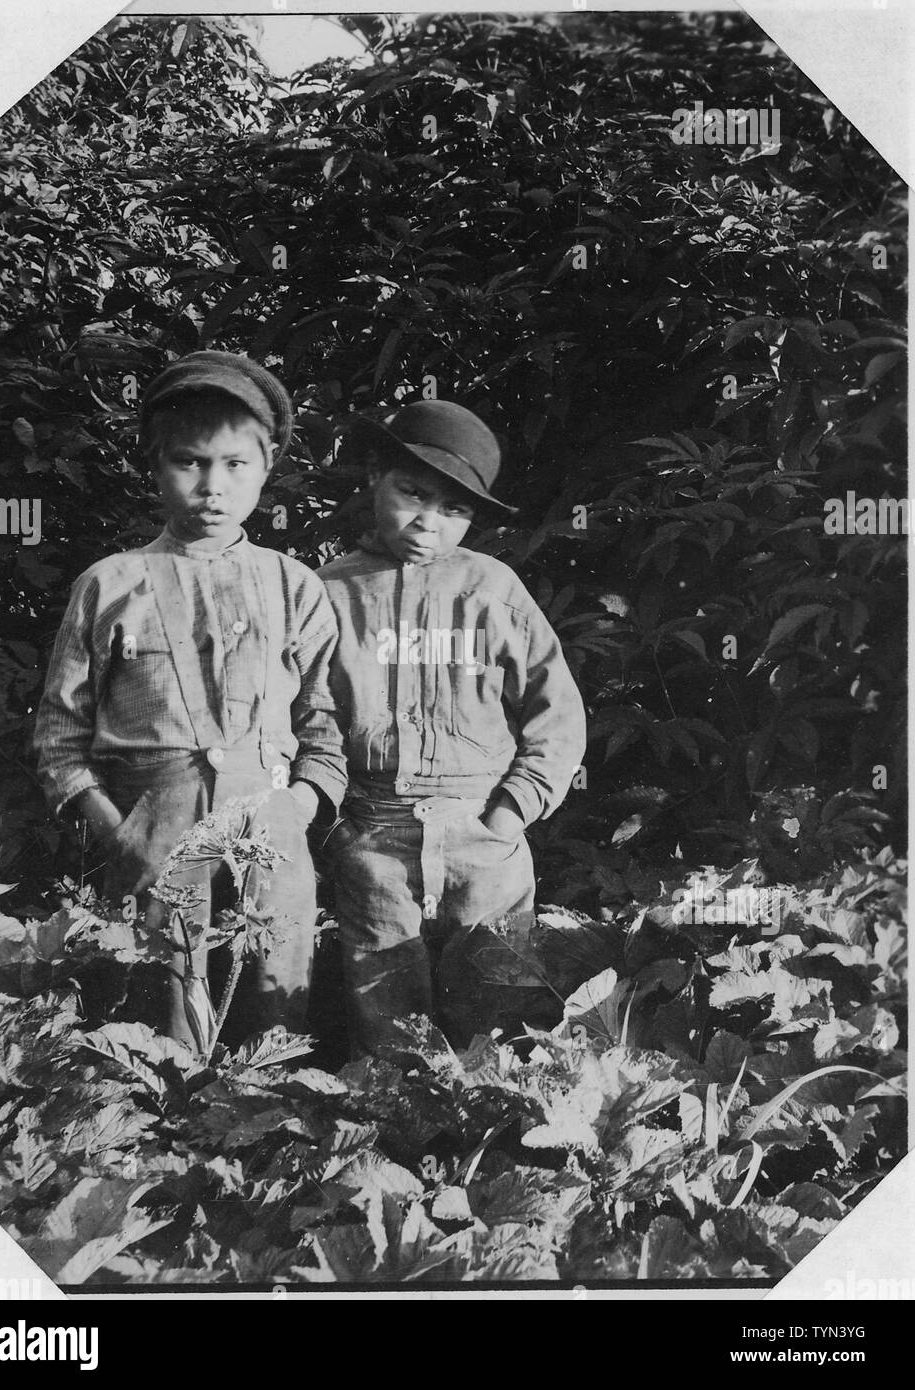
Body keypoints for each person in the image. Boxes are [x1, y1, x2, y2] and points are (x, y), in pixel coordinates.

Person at [34, 351, 346, 1051]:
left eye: (236, 464)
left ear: (266, 469)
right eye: (189, 462)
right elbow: (59, 730)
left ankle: (266, 1143)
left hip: (270, 825)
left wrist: (300, 805)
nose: (212, 486)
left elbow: (322, 717)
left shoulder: (293, 585)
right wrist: (116, 826)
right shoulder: (112, 583)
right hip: (153, 822)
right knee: (159, 1010)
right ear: (154, 465)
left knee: (272, 1002)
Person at [319, 401, 587, 1054]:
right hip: (374, 835)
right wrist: (338, 831)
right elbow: (305, 720)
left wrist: (510, 813)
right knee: (390, 1027)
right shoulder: (326, 594)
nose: (427, 523)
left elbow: (558, 713)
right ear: (376, 477)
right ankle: (396, 1141)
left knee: (499, 1016)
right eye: (412, 493)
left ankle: (491, 1149)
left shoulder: (492, 589)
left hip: (483, 835)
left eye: (453, 510)